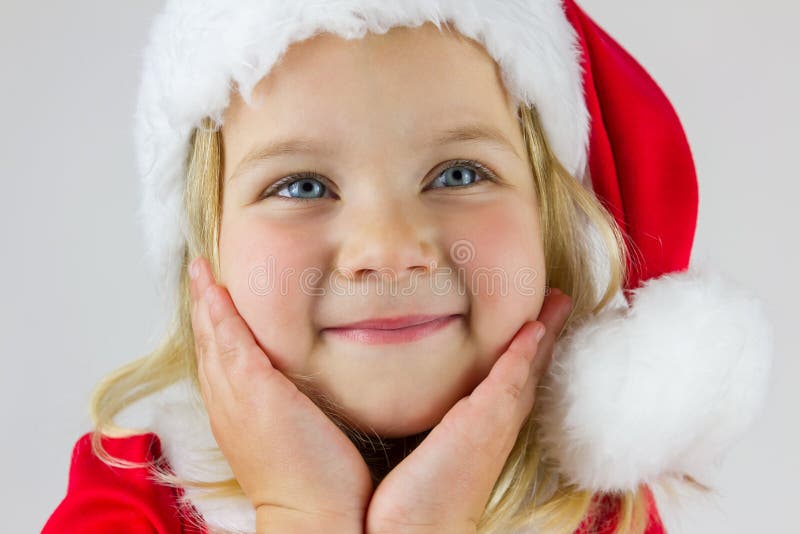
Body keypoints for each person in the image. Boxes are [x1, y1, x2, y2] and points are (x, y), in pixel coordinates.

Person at [43, 1, 773, 533]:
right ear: (209, 254)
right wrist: (304, 518)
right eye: (301, 186)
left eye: (458, 174)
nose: (388, 248)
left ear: (552, 226)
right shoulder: (127, 505)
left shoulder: (601, 520)